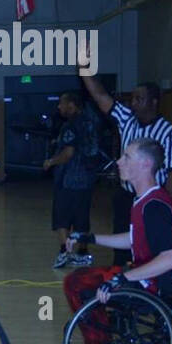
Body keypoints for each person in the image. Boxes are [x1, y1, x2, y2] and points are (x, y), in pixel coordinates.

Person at [53, 138, 172, 344]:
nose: (119, 161)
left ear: (145, 164)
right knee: (78, 279)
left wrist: (122, 279)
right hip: (143, 277)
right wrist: (90, 237)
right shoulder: (144, 200)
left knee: (77, 284)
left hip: (151, 285)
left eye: (127, 157)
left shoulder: (154, 206)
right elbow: (133, 240)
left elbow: (170, 258)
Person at [78, 43, 172, 266]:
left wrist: (163, 207)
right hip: (126, 196)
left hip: (152, 199)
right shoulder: (127, 119)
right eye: (132, 98)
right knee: (123, 251)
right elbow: (99, 95)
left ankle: (147, 285)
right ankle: (122, 285)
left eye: (139, 99)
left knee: (149, 249)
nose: (133, 103)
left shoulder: (169, 133)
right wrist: (84, 67)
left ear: (154, 102)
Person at [43, 91, 101, 268]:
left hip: (69, 179)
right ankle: (83, 253)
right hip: (87, 179)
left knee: (61, 217)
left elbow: (68, 153)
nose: (59, 107)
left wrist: (51, 162)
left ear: (72, 105)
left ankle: (64, 252)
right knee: (82, 218)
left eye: (62, 103)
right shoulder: (91, 123)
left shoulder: (70, 126)